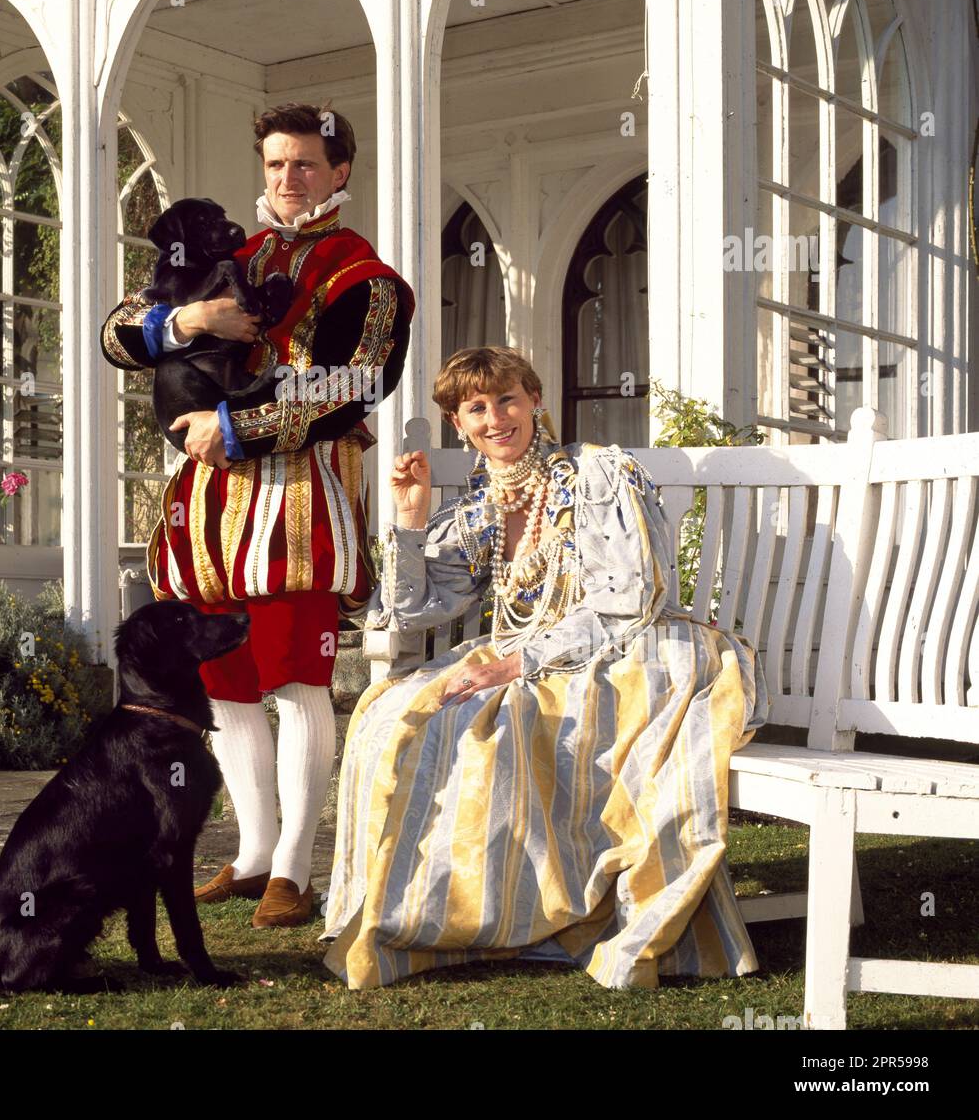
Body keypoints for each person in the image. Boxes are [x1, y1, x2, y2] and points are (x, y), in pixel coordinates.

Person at [321, 345, 770, 988]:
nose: (496, 417)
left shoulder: (596, 478)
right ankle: (441, 915)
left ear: (535, 401)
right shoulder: (484, 507)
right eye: (476, 407)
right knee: (394, 712)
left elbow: (629, 601)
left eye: (508, 399)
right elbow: (411, 611)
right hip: (529, 651)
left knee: (493, 721)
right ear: (459, 424)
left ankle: (535, 916)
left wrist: (515, 663)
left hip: (620, 649)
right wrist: (413, 520)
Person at [101, 102, 414, 928]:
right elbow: (116, 332)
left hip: (298, 504)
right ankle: (250, 852)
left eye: (305, 164)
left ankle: (295, 868)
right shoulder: (218, 255)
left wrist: (233, 427)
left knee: (296, 680)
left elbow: (355, 386)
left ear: (340, 171)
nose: (287, 179)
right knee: (227, 683)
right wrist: (191, 320)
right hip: (206, 515)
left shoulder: (367, 278)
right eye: (276, 164)